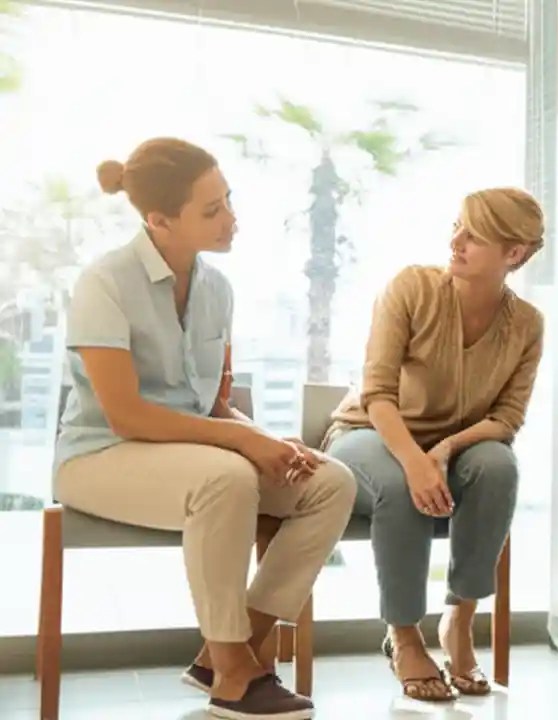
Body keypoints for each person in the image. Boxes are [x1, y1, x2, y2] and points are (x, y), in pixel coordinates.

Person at [55, 138, 357, 720]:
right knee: (227, 478)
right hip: (100, 455)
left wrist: (269, 440)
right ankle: (236, 677)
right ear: (158, 220)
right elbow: (127, 414)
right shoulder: (105, 282)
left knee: (330, 481)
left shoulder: (217, 290)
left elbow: (211, 402)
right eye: (211, 210)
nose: (231, 220)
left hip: (189, 457)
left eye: (228, 201)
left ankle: (226, 654)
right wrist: (244, 442)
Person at [323, 187, 544, 703]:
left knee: (498, 466)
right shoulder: (412, 288)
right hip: (365, 437)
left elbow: (506, 419)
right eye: (456, 226)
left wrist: (443, 452)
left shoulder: (527, 324)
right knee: (401, 485)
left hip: (449, 454)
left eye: (475, 235)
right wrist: (415, 463)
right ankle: (403, 636)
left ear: (514, 254)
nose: (456, 241)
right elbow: (377, 394)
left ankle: (459, 622)